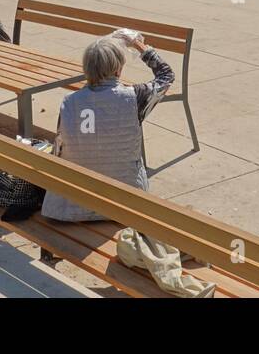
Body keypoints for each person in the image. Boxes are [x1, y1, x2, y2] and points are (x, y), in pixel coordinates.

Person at [41, 33, 174, 221]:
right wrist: (138, 45)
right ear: (118, 69)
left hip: (70, 206)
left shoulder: (69, 102)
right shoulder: (136, 97)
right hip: (127, 203)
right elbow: (166, 75)